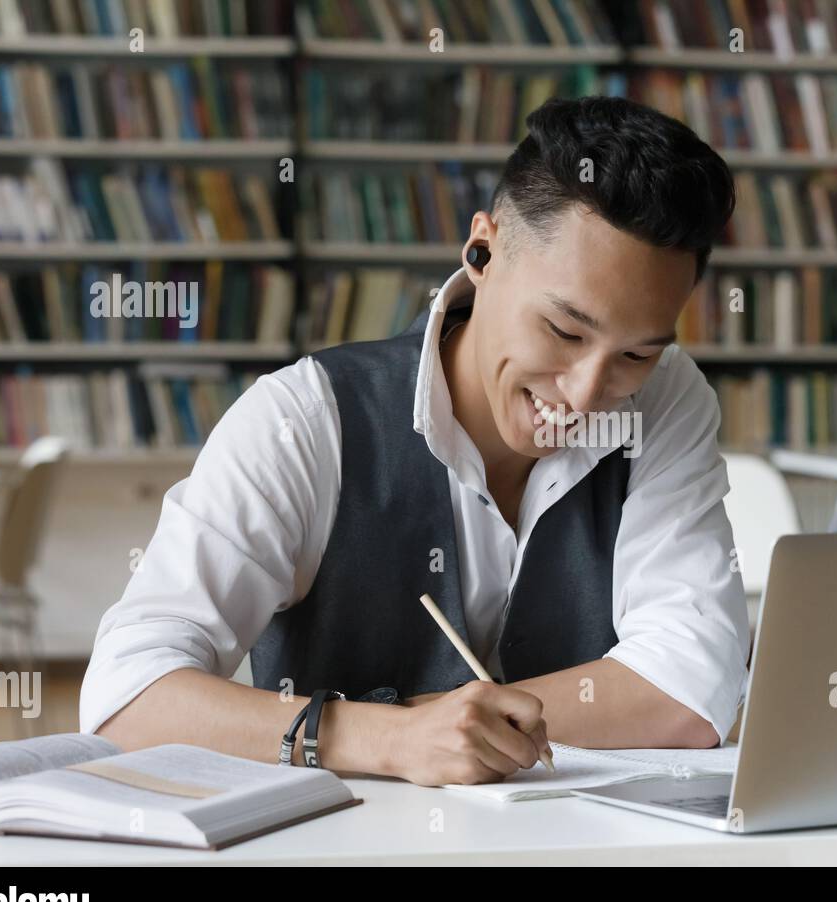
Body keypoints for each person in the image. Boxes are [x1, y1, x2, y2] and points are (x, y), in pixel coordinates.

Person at [80, 96, 749, 786]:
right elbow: (125, 698)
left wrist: (452, 722)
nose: (584, 394)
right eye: (566, 332)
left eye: (635, 356)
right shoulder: (304, 421)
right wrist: (387, 738)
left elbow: (691, 688)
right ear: (482, 251)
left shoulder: (667, 399)